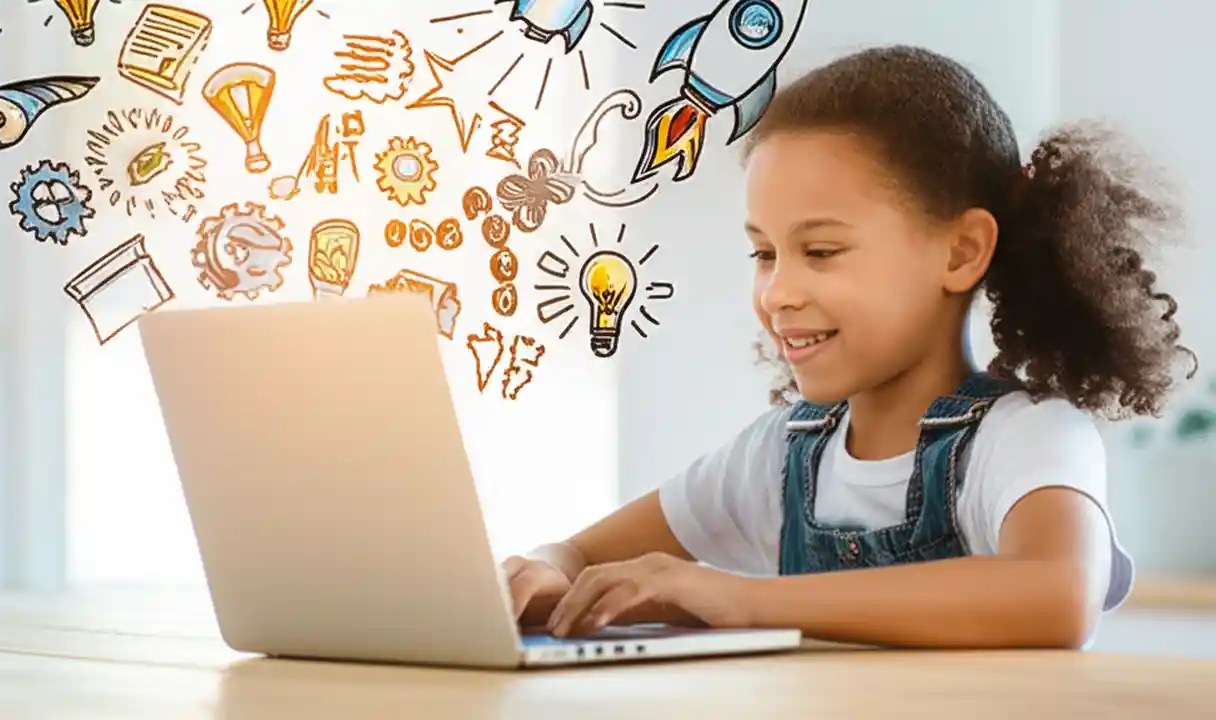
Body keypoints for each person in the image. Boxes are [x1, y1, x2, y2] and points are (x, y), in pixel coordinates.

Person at [501, 45, 1198, 649]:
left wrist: (740, 599)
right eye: (765, 253)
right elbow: (576, 553)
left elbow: (1057, 595)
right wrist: (545, 570)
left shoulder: (1028, 436)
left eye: (822, 250)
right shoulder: (778, 456)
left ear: (962, 251)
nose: (777, 292)